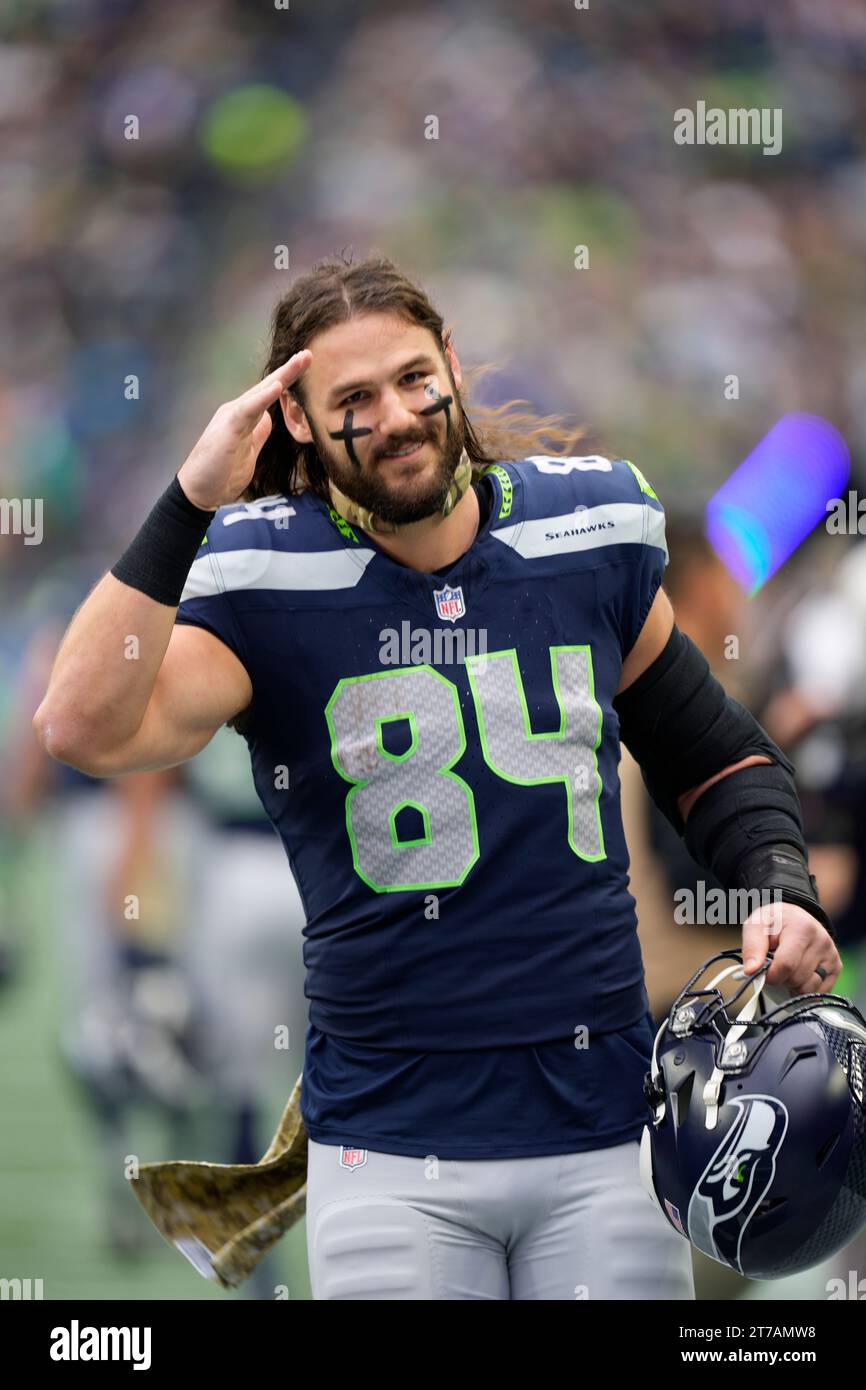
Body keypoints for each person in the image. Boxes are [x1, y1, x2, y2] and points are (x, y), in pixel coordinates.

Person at [33, 253, 840, 1300]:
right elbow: (79, 725)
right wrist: (189, 496)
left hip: (601, 1130)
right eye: (352, 400)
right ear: (300, 428)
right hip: (390, 1146)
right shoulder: (266, 580)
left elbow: (712, 753)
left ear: (452, 365)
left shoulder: (581, 534)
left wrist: (775, 884)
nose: (398, 415)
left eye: (413, 376)